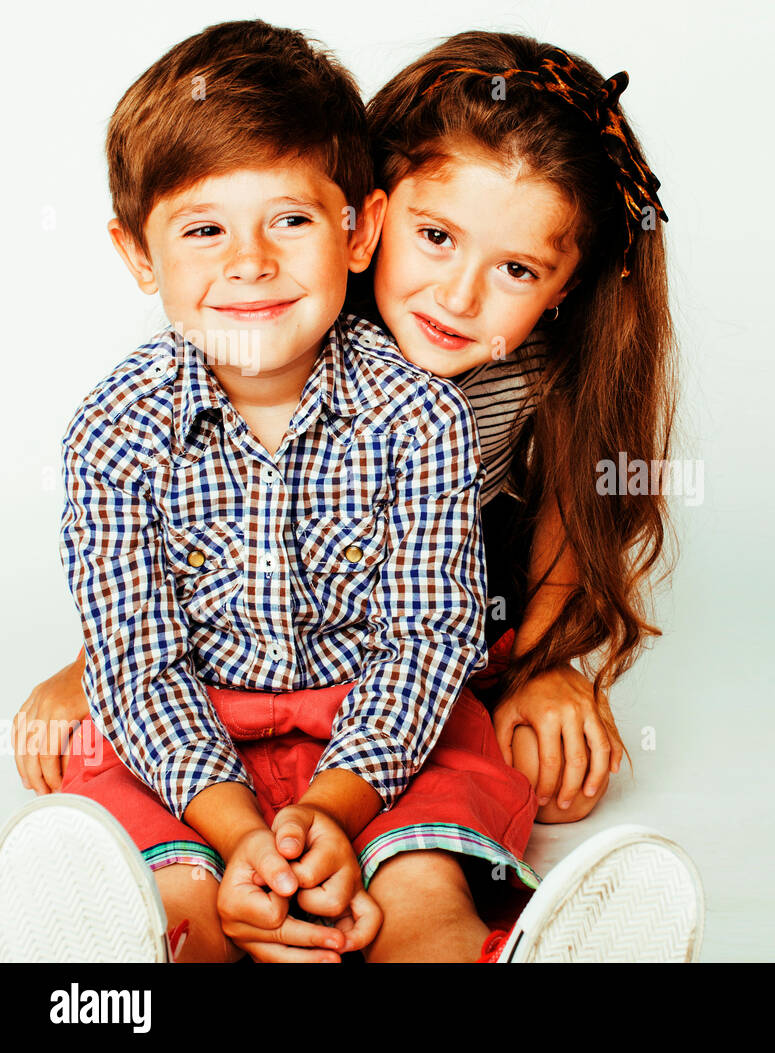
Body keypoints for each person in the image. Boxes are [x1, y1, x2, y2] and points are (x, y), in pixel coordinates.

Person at [1, 20, 702, 964]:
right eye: (438, 237)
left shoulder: (430, 413)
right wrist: (235, 826)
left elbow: (436, 633)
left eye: (517, 269)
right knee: (165, 860)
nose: (457, 297)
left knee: (421, 862)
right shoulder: (137, 413)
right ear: (382, 218)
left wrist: (542, 669)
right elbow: (144, 642)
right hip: (201, 693)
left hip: (389, 694)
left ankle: (480, 949)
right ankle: (131, 959)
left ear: (350, 226)